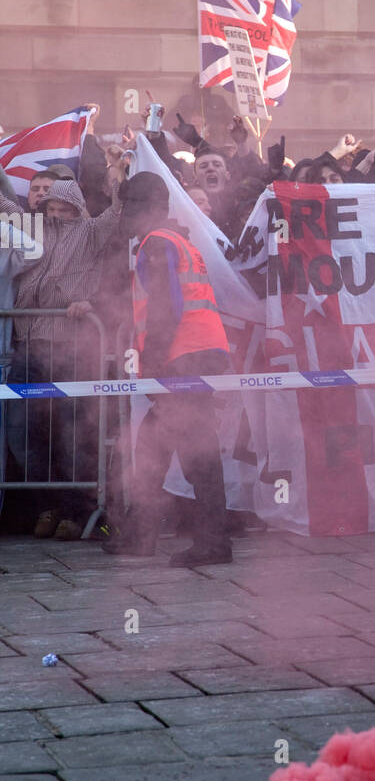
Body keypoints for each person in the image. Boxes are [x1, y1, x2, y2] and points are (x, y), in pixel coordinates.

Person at [103, 172, 233, 566]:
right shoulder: (178, 241)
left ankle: (212, 543)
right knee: (155, 446)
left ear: (141, 209)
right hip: (200, 352)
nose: (124, 216)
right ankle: (140, 536)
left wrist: (154, 366)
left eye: (127, 207)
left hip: (182, 357)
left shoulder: (156, 243)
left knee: (197, 454)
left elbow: (165, 308)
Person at [4, 177, 120, 539]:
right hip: (28, 347)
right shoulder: (31, 227)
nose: (55, 215)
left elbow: (119, 211)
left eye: (64, 209)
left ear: (79, 209)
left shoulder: (91, 232)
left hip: (72, 349)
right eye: (50, 208)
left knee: (72, 436)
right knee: (24, 435)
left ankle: (76, 512)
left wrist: (119, 177)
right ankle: (48, 506)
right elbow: (6, 208)